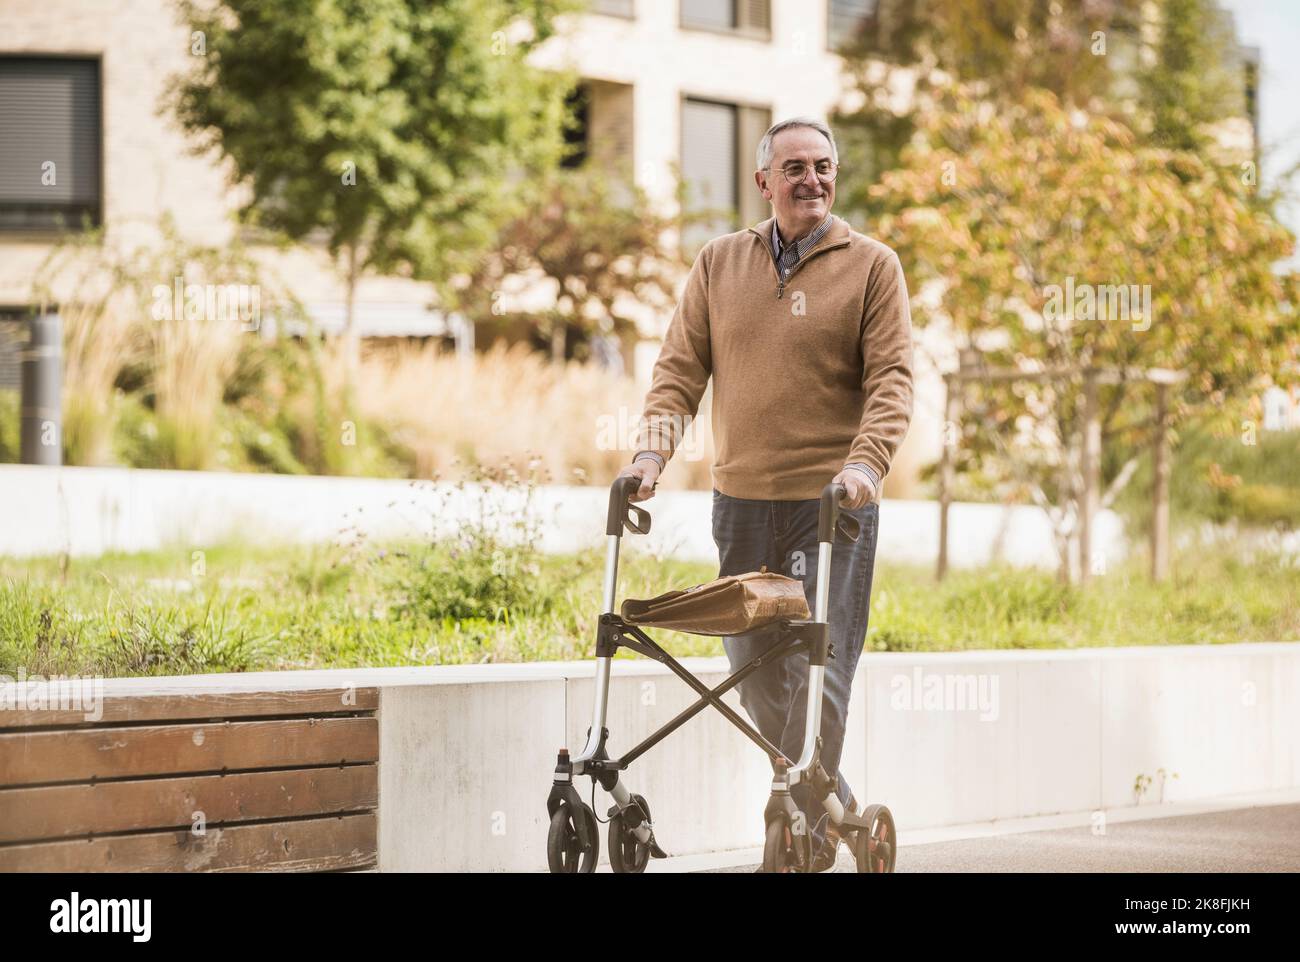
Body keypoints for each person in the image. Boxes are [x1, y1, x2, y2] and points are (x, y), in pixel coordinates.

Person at [616, 116, 914, 871]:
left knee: (822, 662)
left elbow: (892, 382)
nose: (811, 179)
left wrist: (865, 468)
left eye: (824, 166)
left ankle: (793, 829)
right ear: (763, 182)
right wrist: (649, 457)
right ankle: (828, 802)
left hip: (832, 507)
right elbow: (678, 371)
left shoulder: (873, 266)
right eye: (795, 168)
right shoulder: (719, 264)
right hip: (742, 502)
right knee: (751, 663)